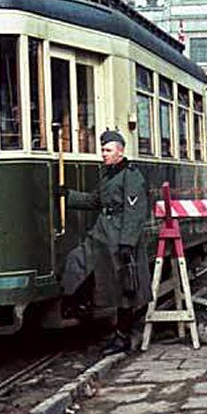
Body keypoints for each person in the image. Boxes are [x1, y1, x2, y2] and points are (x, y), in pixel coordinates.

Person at [56, 129, 150, 354]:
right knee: (76, 261)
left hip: (120, 237)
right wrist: (67, 195)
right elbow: (95, 200)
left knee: (123, 289)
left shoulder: (131, 175)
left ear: (120, 152)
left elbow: (134, 211)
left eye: (108, 150)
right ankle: (76, 305)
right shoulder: (108, 175)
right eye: (103, 150)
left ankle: (122, 337)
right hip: (101, 233)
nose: (103, 154)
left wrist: (127, 242)